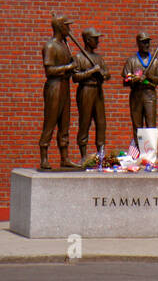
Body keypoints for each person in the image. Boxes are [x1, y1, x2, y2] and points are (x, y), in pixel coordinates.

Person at [38, 14, 80, 170]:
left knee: (65, 122)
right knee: (50, 121)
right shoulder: (50, 46)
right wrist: (68, 67)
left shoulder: (64, 45)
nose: (69, 29)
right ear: (60, 27)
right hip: (54, 87)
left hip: (64, 86)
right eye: (66, 26)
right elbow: (49, 70)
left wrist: (73, 66)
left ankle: (65, 157)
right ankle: (44, 156)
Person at [72, 27, 108, 165]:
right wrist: (91, 71)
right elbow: (75, 77)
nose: (98, 41)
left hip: (98, 90)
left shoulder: (98, 58)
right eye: (95, 38)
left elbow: (107, 74)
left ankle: (101, 154)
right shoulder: (79, 57)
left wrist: (102, 74)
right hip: (85, 90)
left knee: (101, 122)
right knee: (85, 121)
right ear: (87, 40)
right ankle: (83, 154)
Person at [122, 32, 158, 140]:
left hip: (150, 95)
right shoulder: (132, 61)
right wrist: (134, 80)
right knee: (137, 126)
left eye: (148, 42)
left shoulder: (154, 62)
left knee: (151, 126)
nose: (146, 45)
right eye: (143, 42)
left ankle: (150, 153)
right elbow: (125, 81)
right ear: (138, 43)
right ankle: (138, 152)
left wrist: (150, 77)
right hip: (136, 95)